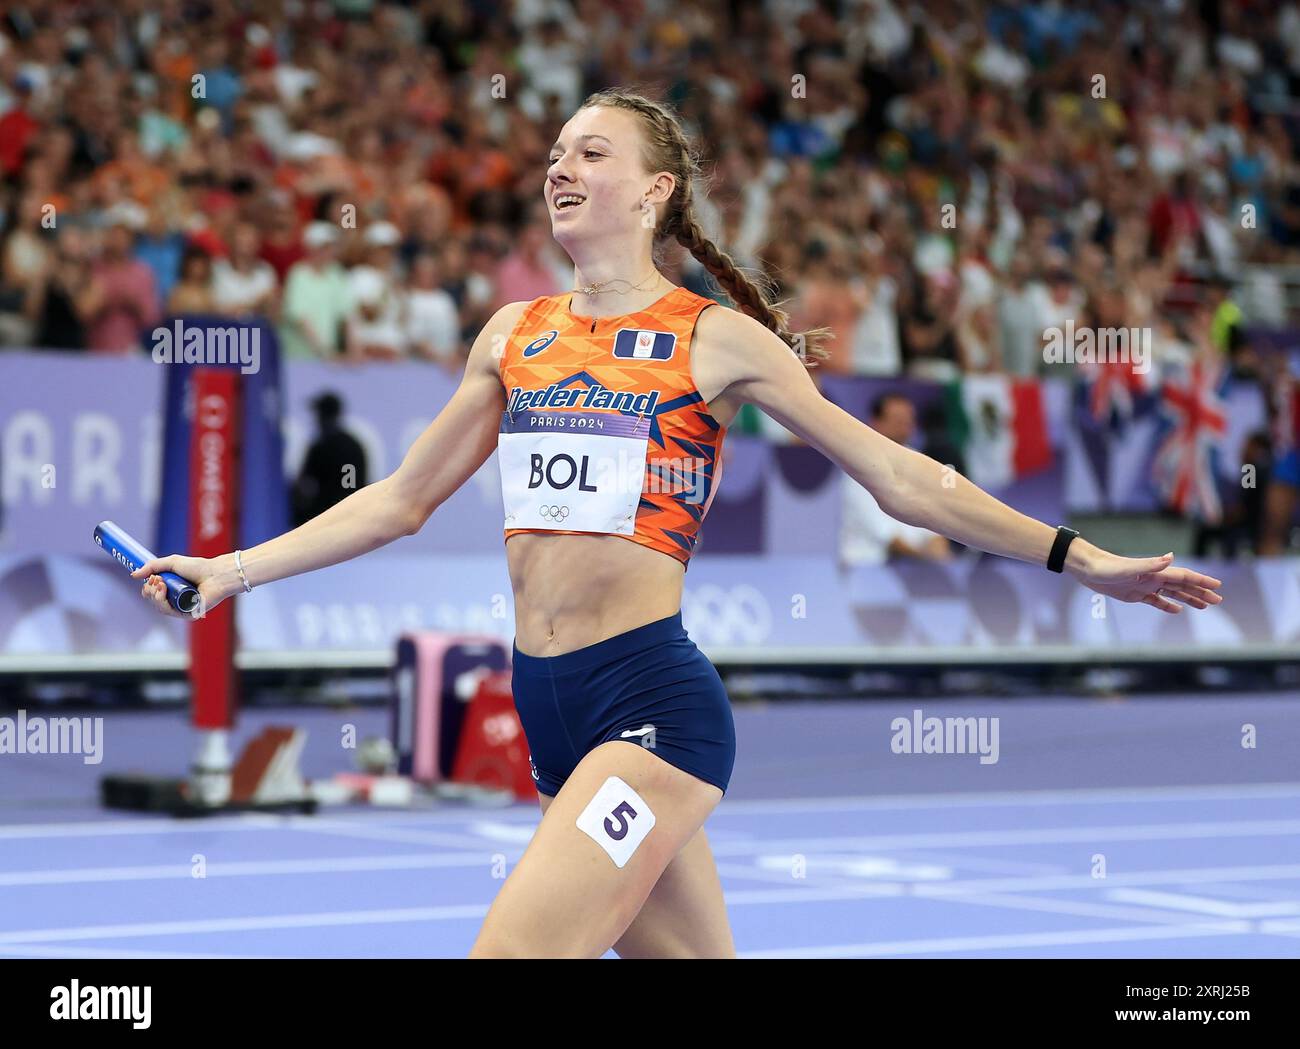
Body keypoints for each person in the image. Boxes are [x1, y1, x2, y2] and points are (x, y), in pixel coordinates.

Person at [131, 90, 1224, 960]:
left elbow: (898, 476)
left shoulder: (720, 341)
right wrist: (230, 570)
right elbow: (398, 501)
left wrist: (1078, 559)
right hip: (550, 710)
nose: (560, 166)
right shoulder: (516, 332)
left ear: (655, 190)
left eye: (590, 153)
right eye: (556, 151)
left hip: (649, 708)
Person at [841, 393, 952, 565]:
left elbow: (933, 515)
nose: (904, 426)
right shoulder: (857, 463)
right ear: (876, 422)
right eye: (897, 420)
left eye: (908, 420)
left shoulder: (921, 462)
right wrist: (927, 563)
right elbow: (887, 537)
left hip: (916, 566)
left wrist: (939, 550)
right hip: (870, 567)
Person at [290, 392, 369, 527]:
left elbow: (304, 485)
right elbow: (357, 484)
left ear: (322, 416)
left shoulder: (321, 446)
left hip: (324, 517)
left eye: (318, 415)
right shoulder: (354, 444)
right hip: (354, 513)